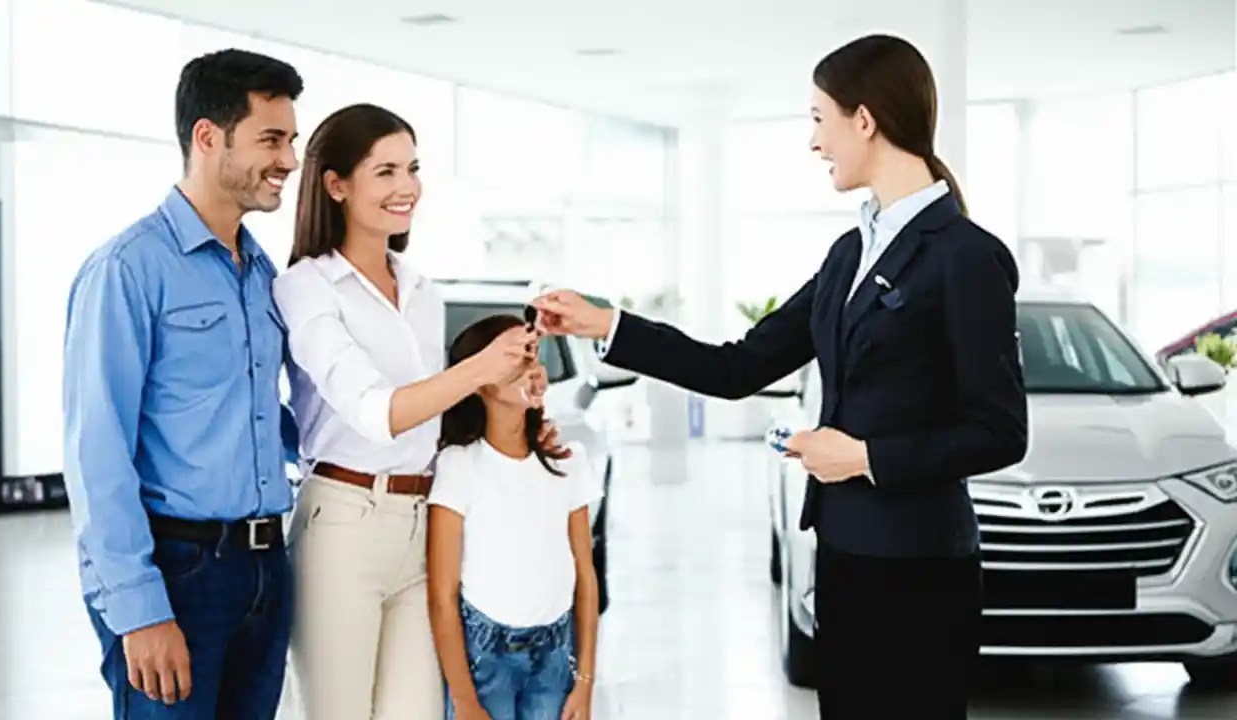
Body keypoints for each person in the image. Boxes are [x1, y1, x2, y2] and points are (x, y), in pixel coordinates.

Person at [530, 34, 1028, 720]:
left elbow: (999, 431)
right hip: (845, 555)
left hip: (920, 568)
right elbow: (738, 366)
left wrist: (862, 456)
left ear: (865, 119)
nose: (814, 142)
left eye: (820, 119)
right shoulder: (849, 252)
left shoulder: (967, 257)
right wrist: (608, 325)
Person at [273, 103, 564, 719]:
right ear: (336, 184)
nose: (406, 187)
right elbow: (377, 412)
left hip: (423, 523)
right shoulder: (308, 286)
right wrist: (479, 366)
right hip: (342, 527)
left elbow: (437, 422)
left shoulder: (421, 289)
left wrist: (526, 436)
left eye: (412, 168)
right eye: (385, 172)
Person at [62, 49, 303, 719]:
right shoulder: (128, 269)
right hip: (177, 574)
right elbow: (96, 452)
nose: (288, 159)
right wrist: (139, 611)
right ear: (207, 137)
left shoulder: (259, 274)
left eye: (291, 139)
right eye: (271, 139)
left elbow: (263, 418)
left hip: (263, 570)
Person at [427, 315, 602, 720]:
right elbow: (442, 597)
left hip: (556, 657)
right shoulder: (459, 465)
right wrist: (466, 701)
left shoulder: (567, 462)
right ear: (481, 380)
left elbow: (585, 576)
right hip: (485, 660)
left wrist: (586, 682)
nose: (533, 367)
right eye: (516, 358)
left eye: (533, 355)